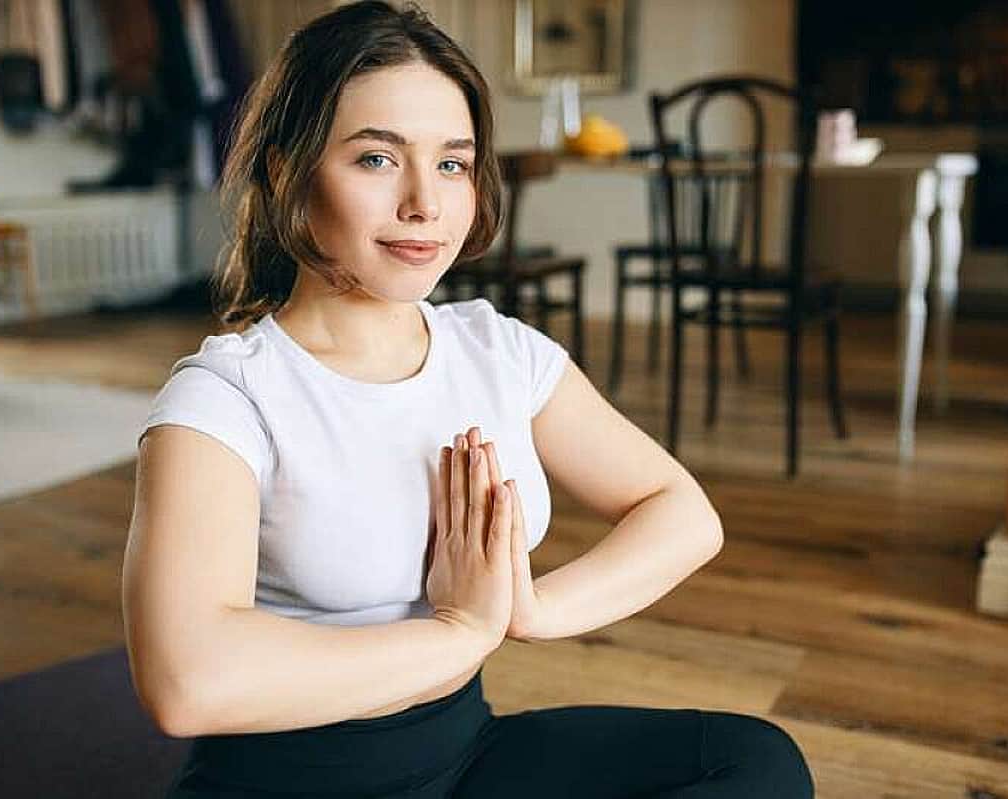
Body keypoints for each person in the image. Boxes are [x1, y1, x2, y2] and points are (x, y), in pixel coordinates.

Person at [122, 2, 815, 796]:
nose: (425, 203)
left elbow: (683, 512)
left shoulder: (499, 352)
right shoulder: (226, 398)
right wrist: (460, 630)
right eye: (377, 160)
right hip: (288, 777)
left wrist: (529, 609)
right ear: (286, 171)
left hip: (462, 753)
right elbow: (187, 683)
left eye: (452, 163)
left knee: (754, 763)